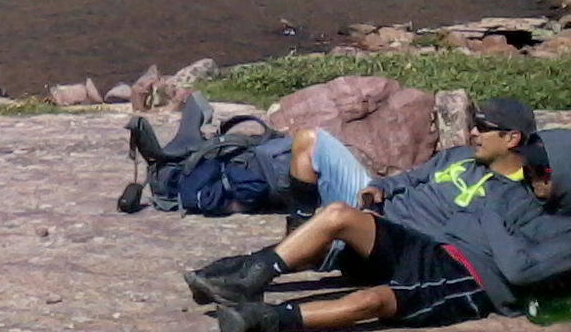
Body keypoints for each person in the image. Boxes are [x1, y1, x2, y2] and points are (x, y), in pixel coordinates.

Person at [185, 104, 571, 332]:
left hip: (464, 272)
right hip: (424, 243)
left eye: (542, 172)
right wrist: (385, 189)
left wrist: (481, 218)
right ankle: (243, 278)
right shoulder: (479, 170)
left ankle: (264, 319)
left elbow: (517, 269)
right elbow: (451, 211)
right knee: (338, 212)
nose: (533, 176)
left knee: (372, 301)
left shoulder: (538, 210)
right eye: (535, 169)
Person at [281, 97, 537, 231]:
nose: (472, 133)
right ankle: (299, 228)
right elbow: (411, 177)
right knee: (309, 139)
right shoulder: (460, 155)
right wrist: (381, 187)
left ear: (512, 138)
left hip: (394, 237)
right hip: (375, 206)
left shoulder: (515, 195)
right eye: (473, 125)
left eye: (482, 128)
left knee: (338, 219)